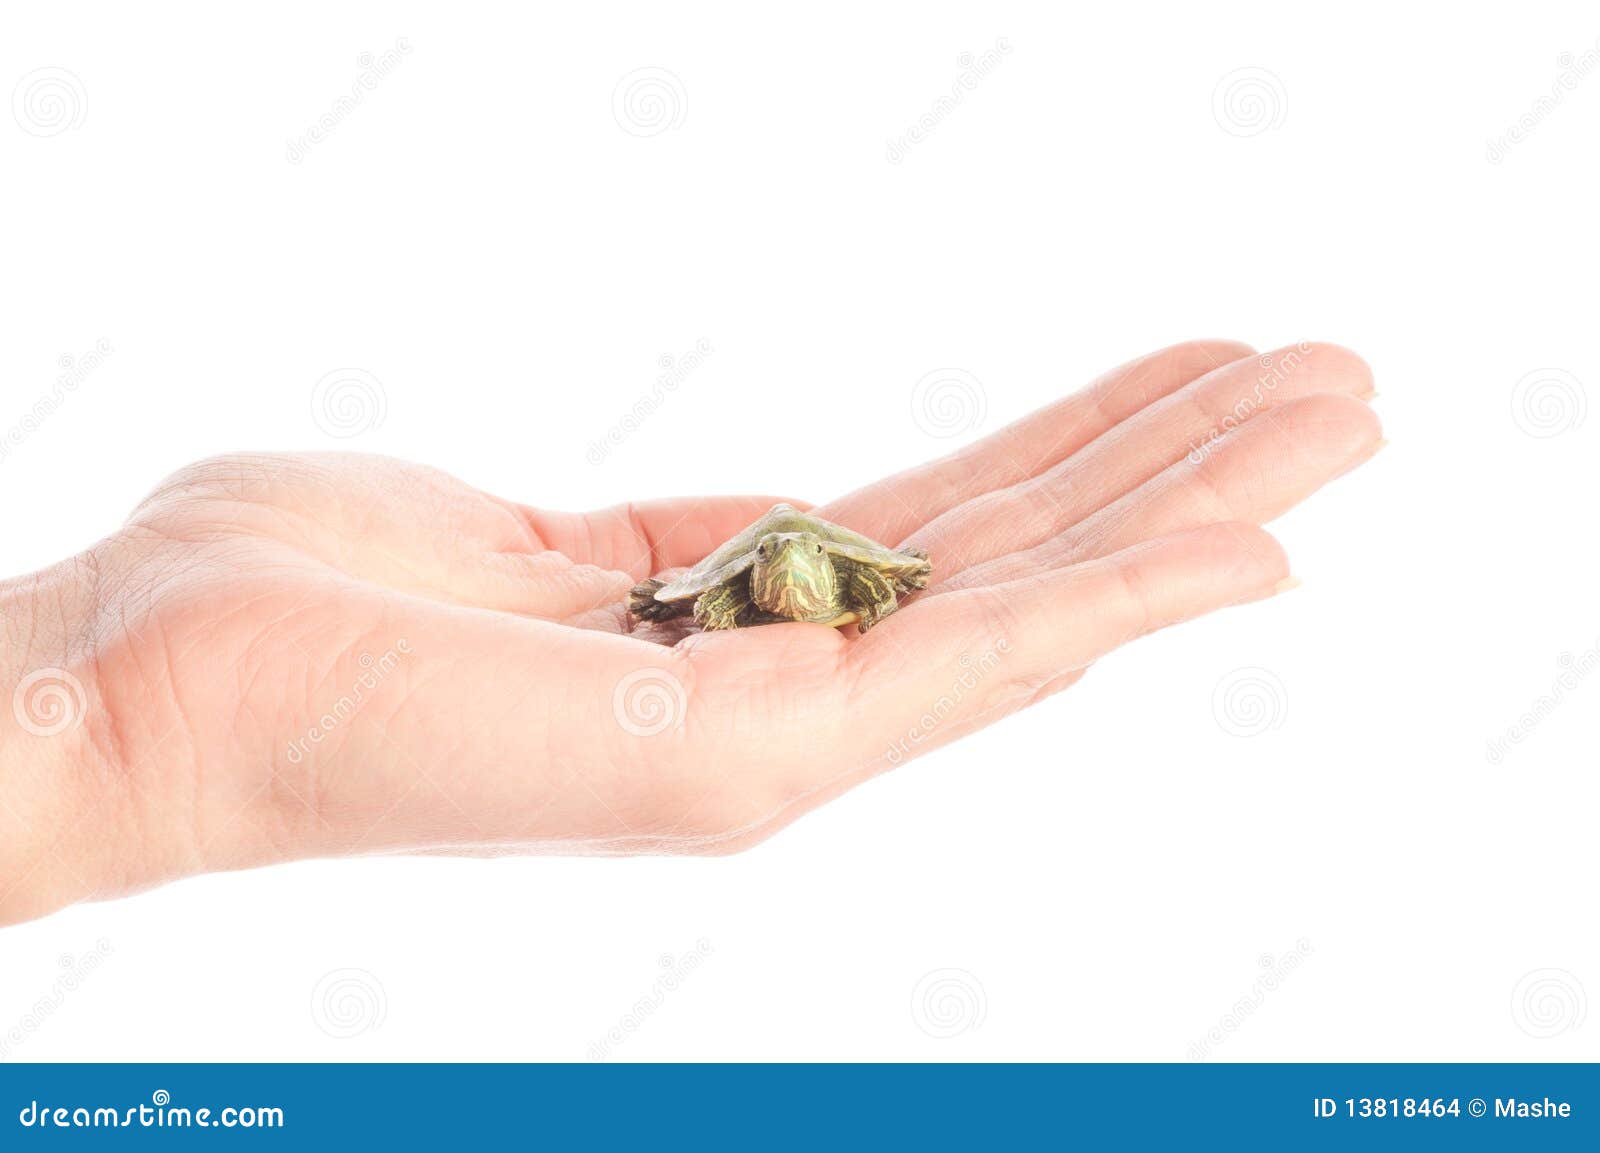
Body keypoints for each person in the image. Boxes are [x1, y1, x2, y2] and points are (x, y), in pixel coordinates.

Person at [0, 340, 1382, 926]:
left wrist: (100, 693)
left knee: (777, 554)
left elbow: (797, 558)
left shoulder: (817, 567)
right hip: (732, 577)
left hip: (785, 563)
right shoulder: (735, 586)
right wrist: (113, 726)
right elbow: (728, 578)